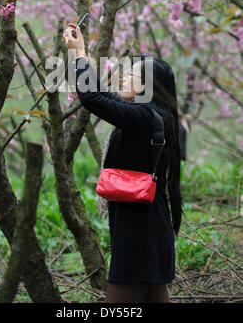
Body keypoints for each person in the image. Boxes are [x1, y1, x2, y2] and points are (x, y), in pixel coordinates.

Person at [62, 23, 182, 303]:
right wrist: (85, 59)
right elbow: (104, 98)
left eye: (133, 75)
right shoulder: (155, 116)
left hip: (140, 232)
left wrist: (79, 53)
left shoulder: (145, 118)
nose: (125, 78)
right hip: (148, 225)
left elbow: (93, 99)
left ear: (149, 85)